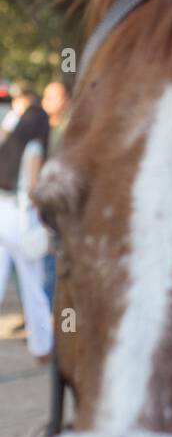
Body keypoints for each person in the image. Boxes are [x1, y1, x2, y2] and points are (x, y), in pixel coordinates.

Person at [0, 85, 54, 362]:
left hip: (2, 210)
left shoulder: (9, 140)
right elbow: (33, 187)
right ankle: (43, 346)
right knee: (33, 285)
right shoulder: (33, 146)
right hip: (22, 216)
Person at [39, 81, 71, 308]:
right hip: (46, 203)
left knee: (57, 261)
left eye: (53, 97)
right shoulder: (44, 125)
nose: (47, 102)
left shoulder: (70, 127)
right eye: (46, 97)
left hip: (62, 204)